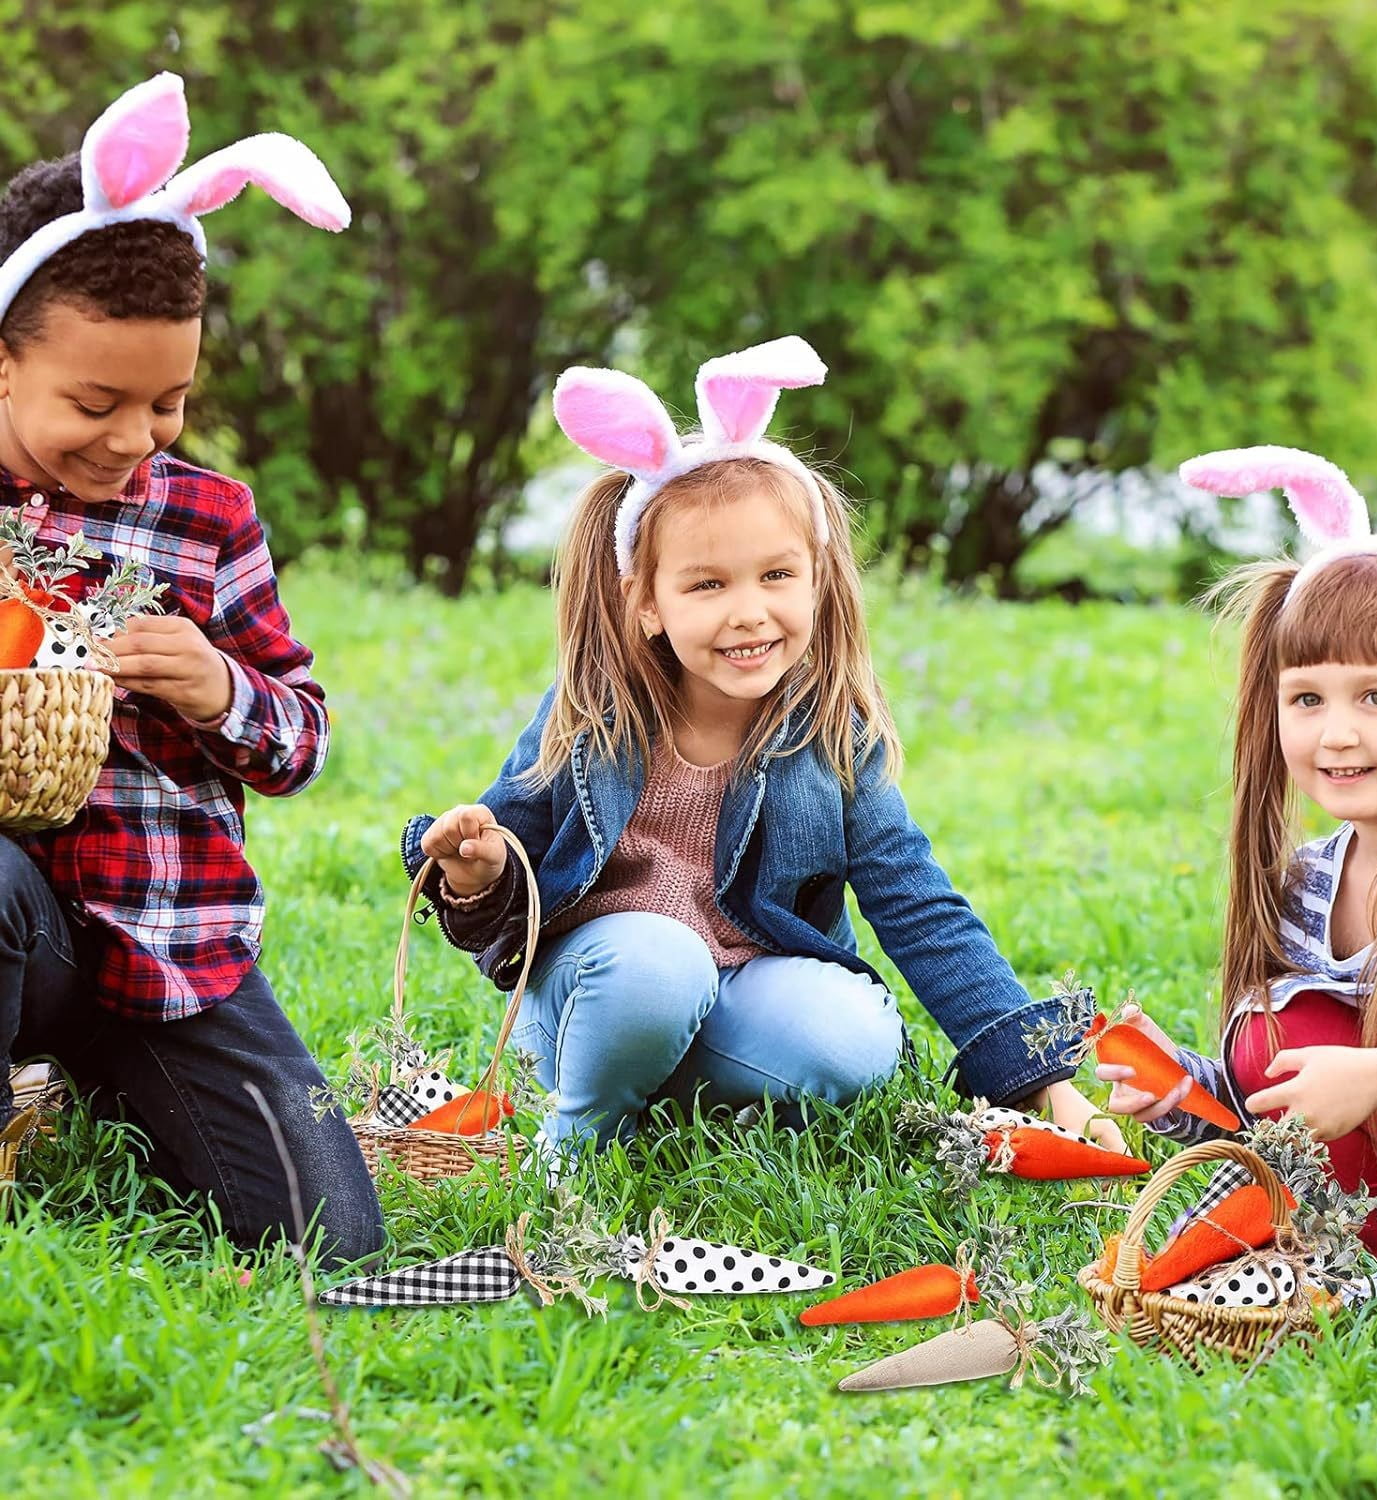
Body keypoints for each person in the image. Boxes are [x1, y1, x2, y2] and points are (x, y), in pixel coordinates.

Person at [404, 335, 1117, 1153]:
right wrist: (475, 869)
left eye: (776, 576)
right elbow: (505, 867)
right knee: (657, 966)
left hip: (741, 989)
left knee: (857, 1041)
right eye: (707, 585)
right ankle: (580, 1141)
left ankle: (665, 1094)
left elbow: (918, 904)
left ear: (815, 578)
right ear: (646, 604)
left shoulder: (827, 732)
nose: (749, 611)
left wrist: (1046, 1083)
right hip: (604, 986)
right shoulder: (590, 718)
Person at [0, 74, 382, 1266]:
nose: (131, 438)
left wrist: (221, 688)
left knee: (330, 1233)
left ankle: (107, 1084)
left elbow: (303, 735)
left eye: (166, 401)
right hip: (16, 912)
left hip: (168, 938)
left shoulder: (208, 518)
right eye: (93, 402)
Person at [1099, 349, 1377, 1285]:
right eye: (1308, 698)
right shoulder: (1308, 886)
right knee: (1271, 1033)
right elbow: (1278, 1110)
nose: (1336, 733)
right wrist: (1182, 1090)